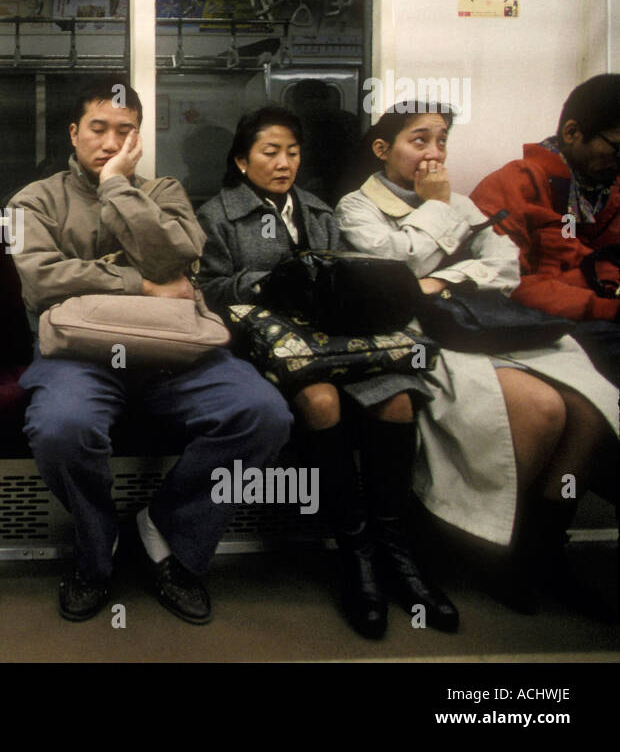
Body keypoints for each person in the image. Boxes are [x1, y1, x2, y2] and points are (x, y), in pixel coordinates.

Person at [6, 80, 291, 625]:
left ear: (138, 138)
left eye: (125, 131)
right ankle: (97, 550)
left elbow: (178, 257)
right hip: (79, 355)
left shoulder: (163, 193)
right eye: (98, 128)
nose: (111, 141)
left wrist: (116, 188)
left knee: (262, 413)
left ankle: (166, 532)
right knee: (61, 426)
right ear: (73, 132)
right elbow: (43, 282)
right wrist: (141, 287)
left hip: (172, 351)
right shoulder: (35, 200)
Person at [337, 101, 618, 614]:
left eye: (441, 141)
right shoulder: (356, 207)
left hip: (491, 324)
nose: (434, 153)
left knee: (592, 409)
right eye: (419, 140)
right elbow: (395, 275)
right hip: (425, 336)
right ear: (383, 150)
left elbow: (506, 267)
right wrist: (437, 210)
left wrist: (442, 279)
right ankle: (494, 549)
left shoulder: (461, 201)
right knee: (543, 409)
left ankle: (542, 550)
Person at [196, 106, 455, 638]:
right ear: (242, 161)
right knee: (321, 402)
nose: (284, 162)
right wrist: (268, 282)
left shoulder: (318, 210)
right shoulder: (216, 215)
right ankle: (355, 550)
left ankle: (394, 547)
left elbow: (351, 277)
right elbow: (209, 292)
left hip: (337, 341)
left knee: (398, 399)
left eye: (292, 152)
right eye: (270, 152)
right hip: (268, 347)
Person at [470, 74, 620, 379]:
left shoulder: (612, 192)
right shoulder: (512, 187)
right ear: (572, 132)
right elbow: (503, 288)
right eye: (618, 149)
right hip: (537, 328)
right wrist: (606, 304)